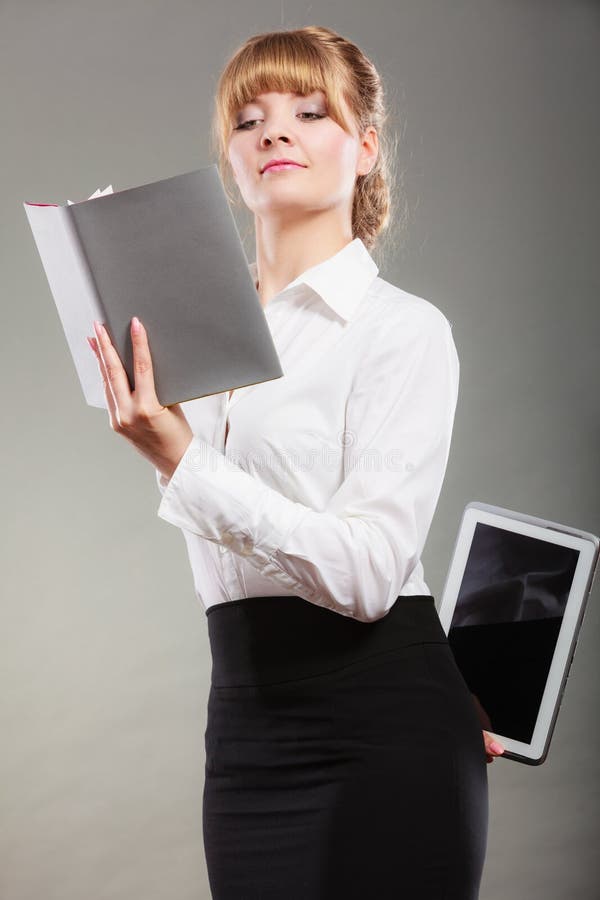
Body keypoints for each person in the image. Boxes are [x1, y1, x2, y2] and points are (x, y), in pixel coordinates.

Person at [86, 24, 505, 900]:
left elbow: (365, 575)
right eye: (248, 121)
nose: (273, 131)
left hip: (384, 723)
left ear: (363, 148)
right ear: (231, 165)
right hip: (244, 727)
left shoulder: (403, 331)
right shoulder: (185, 335)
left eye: (311, 111)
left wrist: (182, 460)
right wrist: (115, 271)